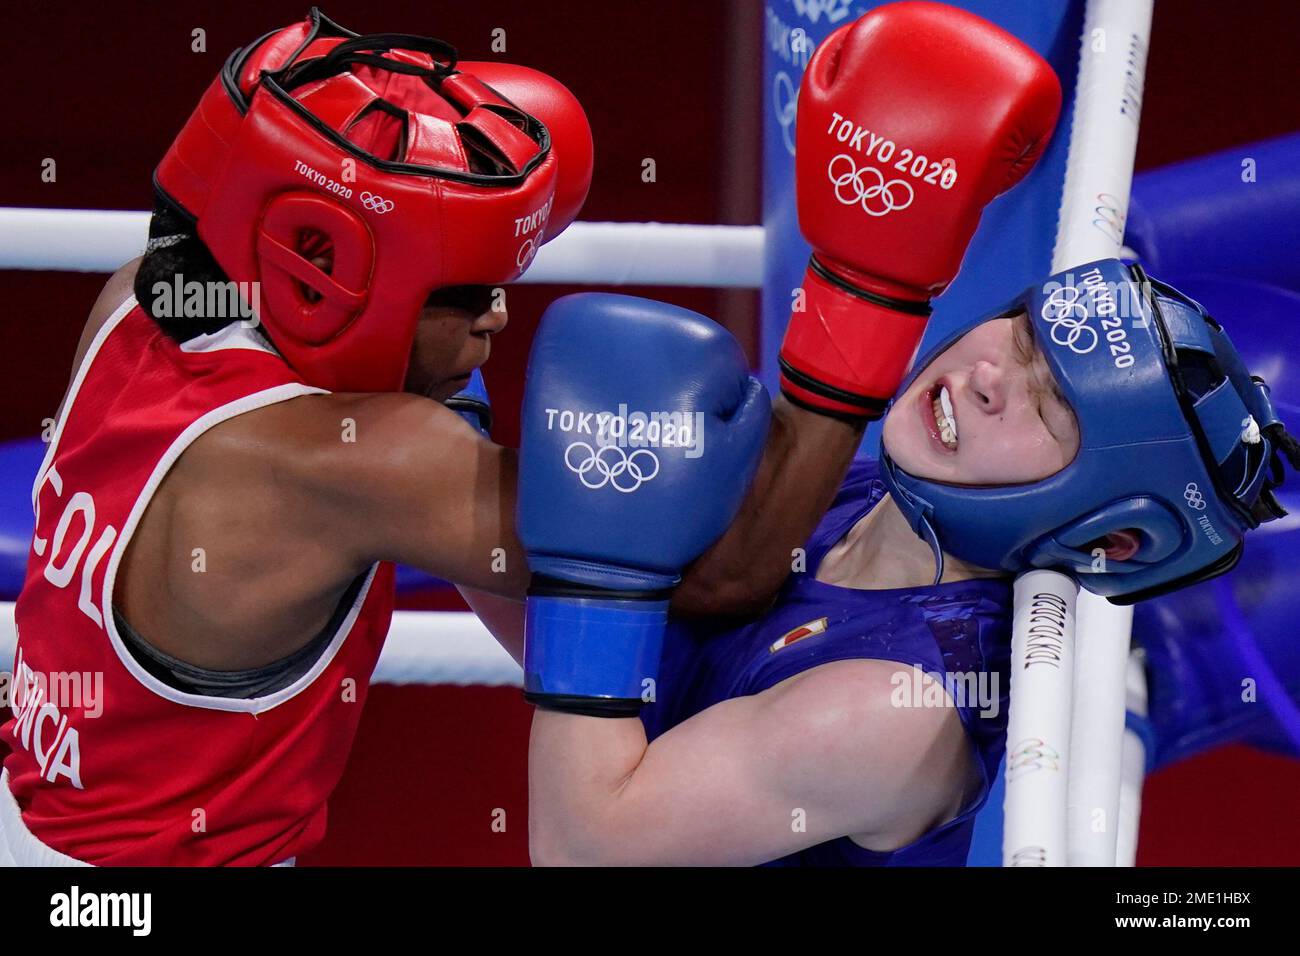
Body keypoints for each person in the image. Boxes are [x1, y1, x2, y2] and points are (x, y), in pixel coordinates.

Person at [0, 10, 865, 866]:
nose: (498, 315)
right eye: (466, 289)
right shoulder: (354, 460)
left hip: (35, 823)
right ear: (323, 270)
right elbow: (715, 572)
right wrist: (872, 293)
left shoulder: (134, 303)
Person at [516, 5, 1296, 866]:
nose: (991, 376)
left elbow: (583, 848)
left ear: (1107, 536)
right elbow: (637, 655)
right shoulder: (868, 500)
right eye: (1027, 337)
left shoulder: (890, 711)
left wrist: (595, 570)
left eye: (1050, 407)